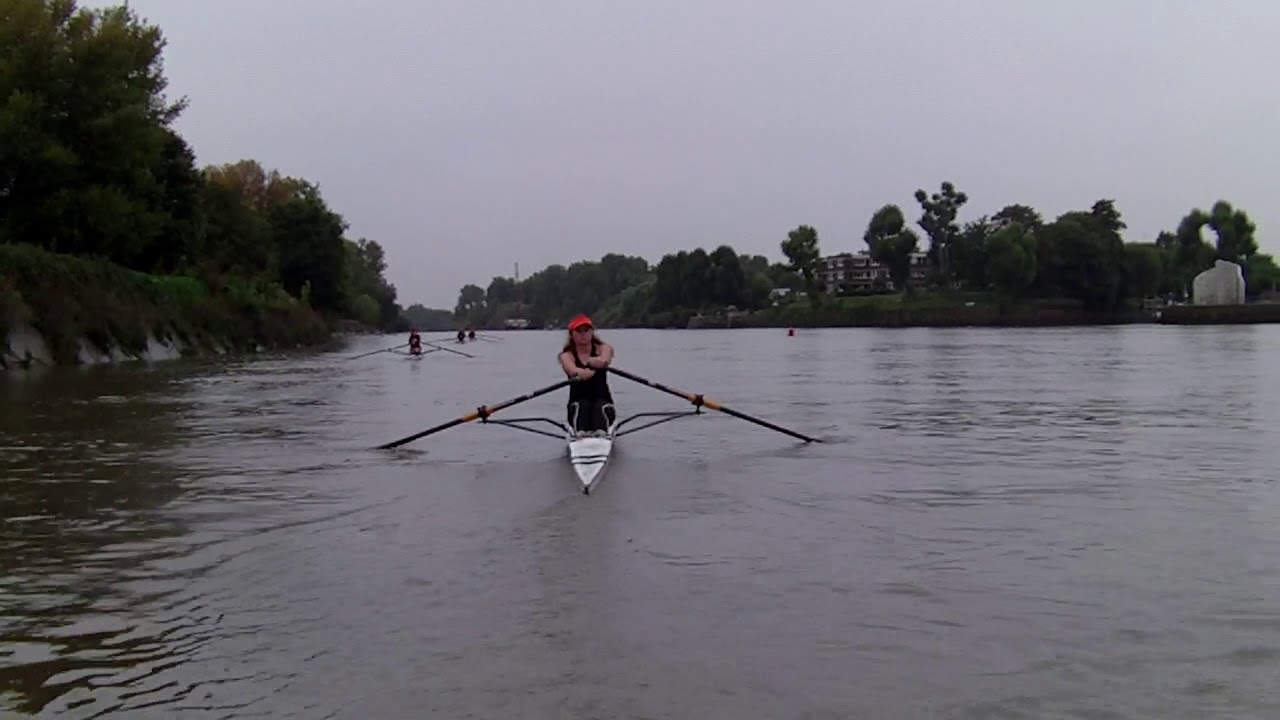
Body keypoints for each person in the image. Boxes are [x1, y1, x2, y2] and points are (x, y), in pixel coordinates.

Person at [558, 314, 616, 435]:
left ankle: (601, 434)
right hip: (577, 405)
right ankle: (581, 435)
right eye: (579, 331)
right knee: (581, 406)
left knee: (600, 407)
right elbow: (570, 369)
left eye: (586, 330)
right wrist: (580, 372)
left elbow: (605, 359)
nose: (583, 334)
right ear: (572, 335)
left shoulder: (603, 348)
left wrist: (598, 362)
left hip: (603, 403)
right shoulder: (566, 355)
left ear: (592, 332)